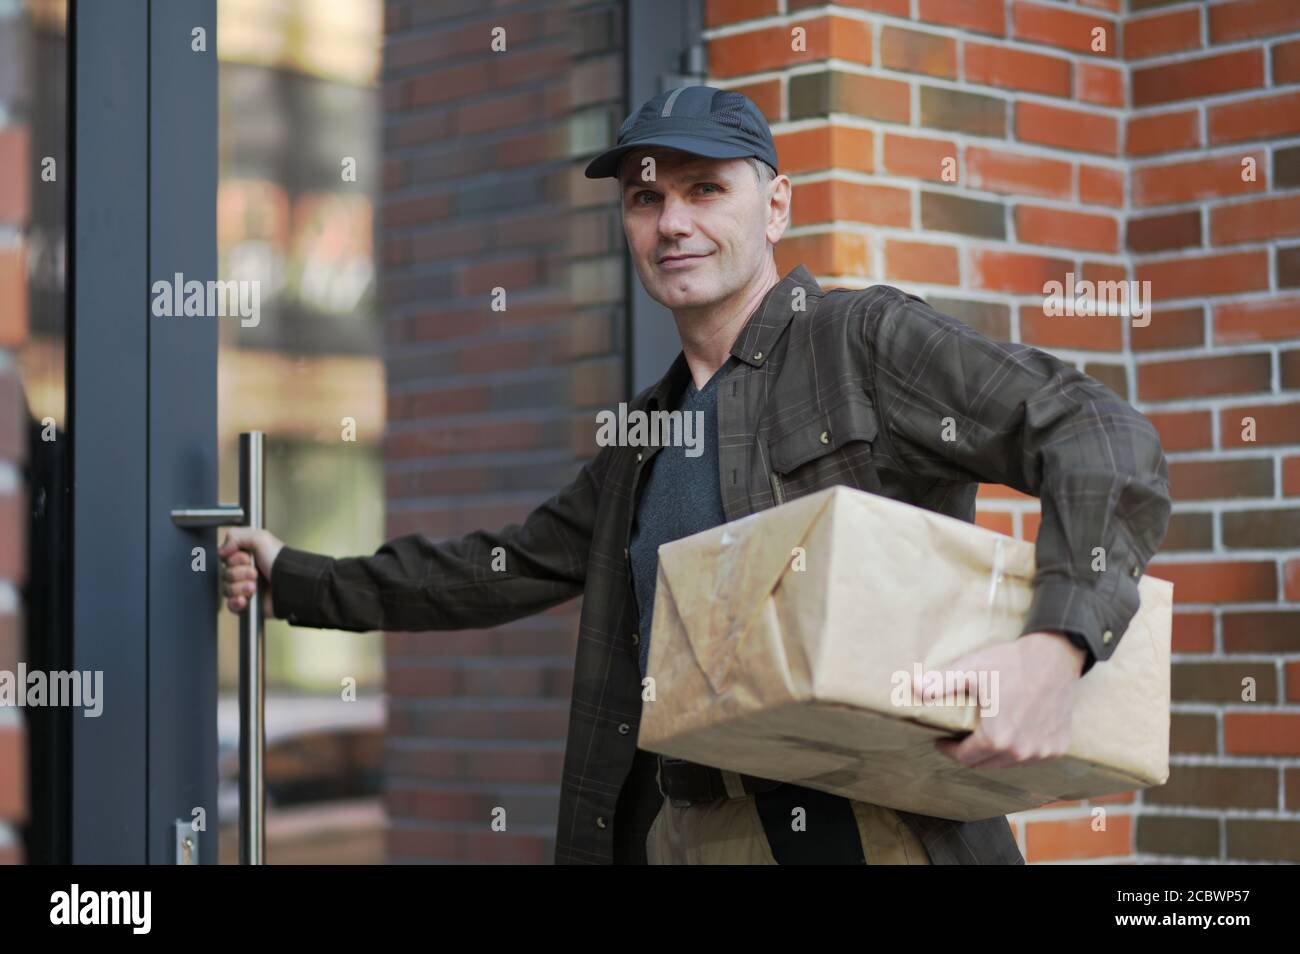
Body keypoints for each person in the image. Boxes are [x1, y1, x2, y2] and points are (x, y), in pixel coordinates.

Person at [220, 85, 1171, 865]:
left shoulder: (860, 342)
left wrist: (1058, 648)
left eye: (705, 189)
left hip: (868, 827)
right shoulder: (645, 431)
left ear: (777, 204)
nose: (673, 222)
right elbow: (496, 565)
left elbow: (1100, 433)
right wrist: (290, 573)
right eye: (645, 199)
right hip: (682, 833)